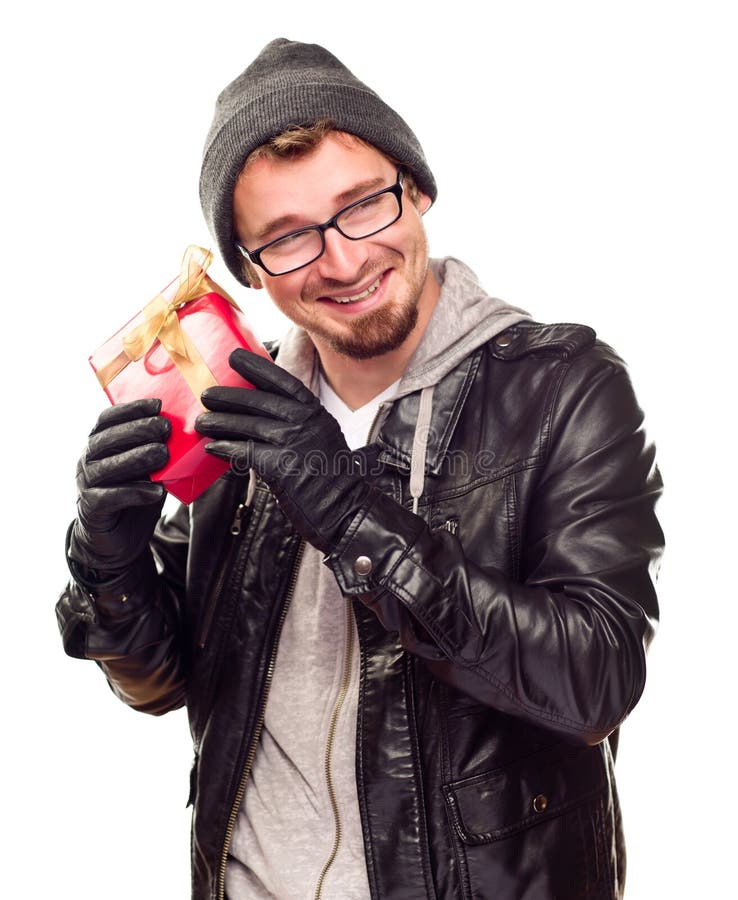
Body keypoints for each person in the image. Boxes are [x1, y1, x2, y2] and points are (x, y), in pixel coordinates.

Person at [57, 38, 664, 900]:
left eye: (364, 206)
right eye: (289, 238)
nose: (342, 261)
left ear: (416, 190)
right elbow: (163, 686)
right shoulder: (238, 410)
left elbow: (598, 679)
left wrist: (346, 508)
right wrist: (108, 560)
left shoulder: (562, 387)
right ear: (247, 269)